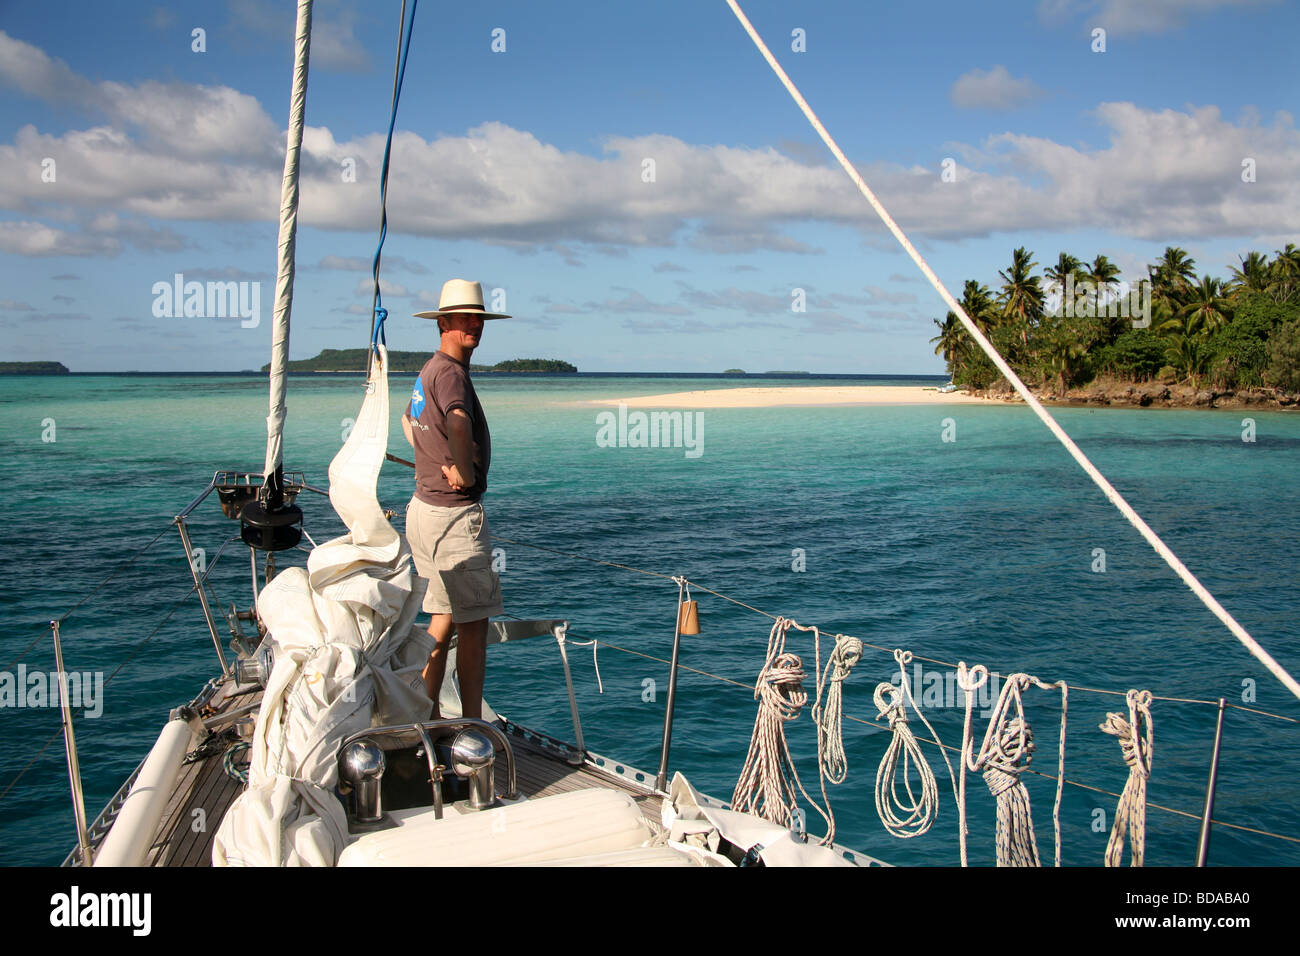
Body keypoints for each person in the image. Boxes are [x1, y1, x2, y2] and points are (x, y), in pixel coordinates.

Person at [402, 278, 509, 719]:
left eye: (479, 318)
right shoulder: (451, 374)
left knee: (442, 622)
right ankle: (470, 723)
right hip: (454, 518)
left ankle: (425, 715)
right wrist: (462, 469)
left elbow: (410, 421)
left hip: (423, 513)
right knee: (474, 630)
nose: (474, 326)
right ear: (442, 322)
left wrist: (433, 456)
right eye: (464, 318)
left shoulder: (428, 371)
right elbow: (459, 420)